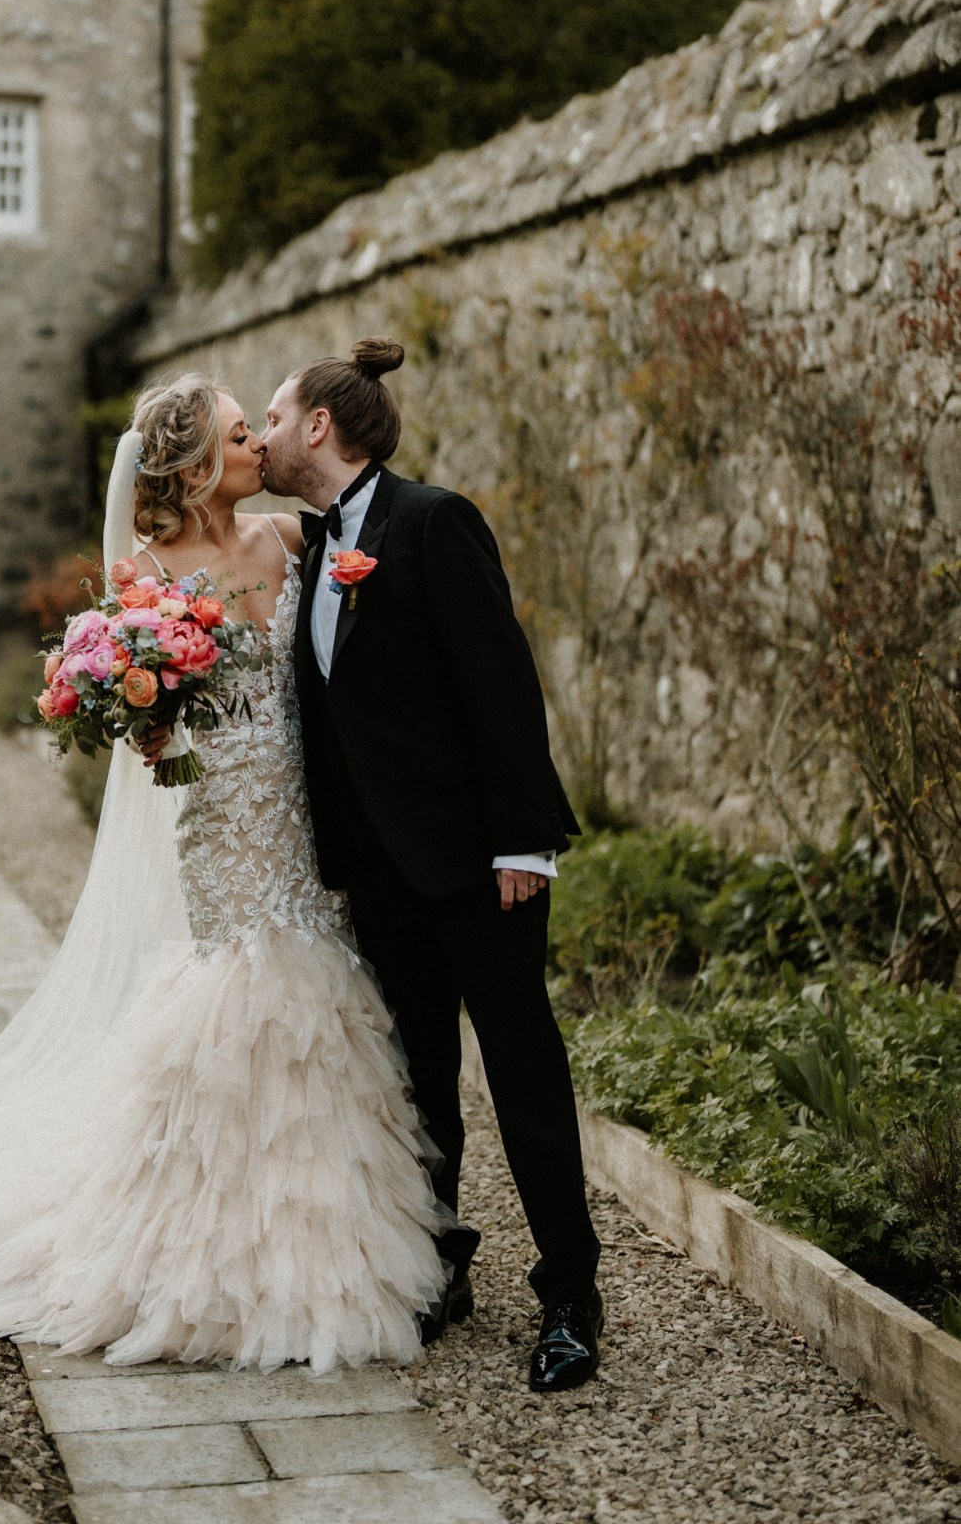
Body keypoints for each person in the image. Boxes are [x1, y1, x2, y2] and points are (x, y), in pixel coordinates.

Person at [0, 373, 446, 1371]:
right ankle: (198, 1244)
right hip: (220, 816)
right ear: (192, 463)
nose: (258, 446)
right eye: (237, 433)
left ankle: (319, 1226)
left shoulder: (287, 539)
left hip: (304, 810)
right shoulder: (143, 574)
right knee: (236, 986)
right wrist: (142, 716)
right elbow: (128, 694)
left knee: (316, 989)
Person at [261, 337, 604, 1393]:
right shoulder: (311, 546)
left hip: (477, 862)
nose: (264, 434)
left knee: (522, 1072)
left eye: (274, 416)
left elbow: (501, 685)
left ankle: (571, 1297)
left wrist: (521, 839)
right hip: (379, 869)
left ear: (319, 424)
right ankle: (440, 1259)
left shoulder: (431, 521)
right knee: (419, 1076)